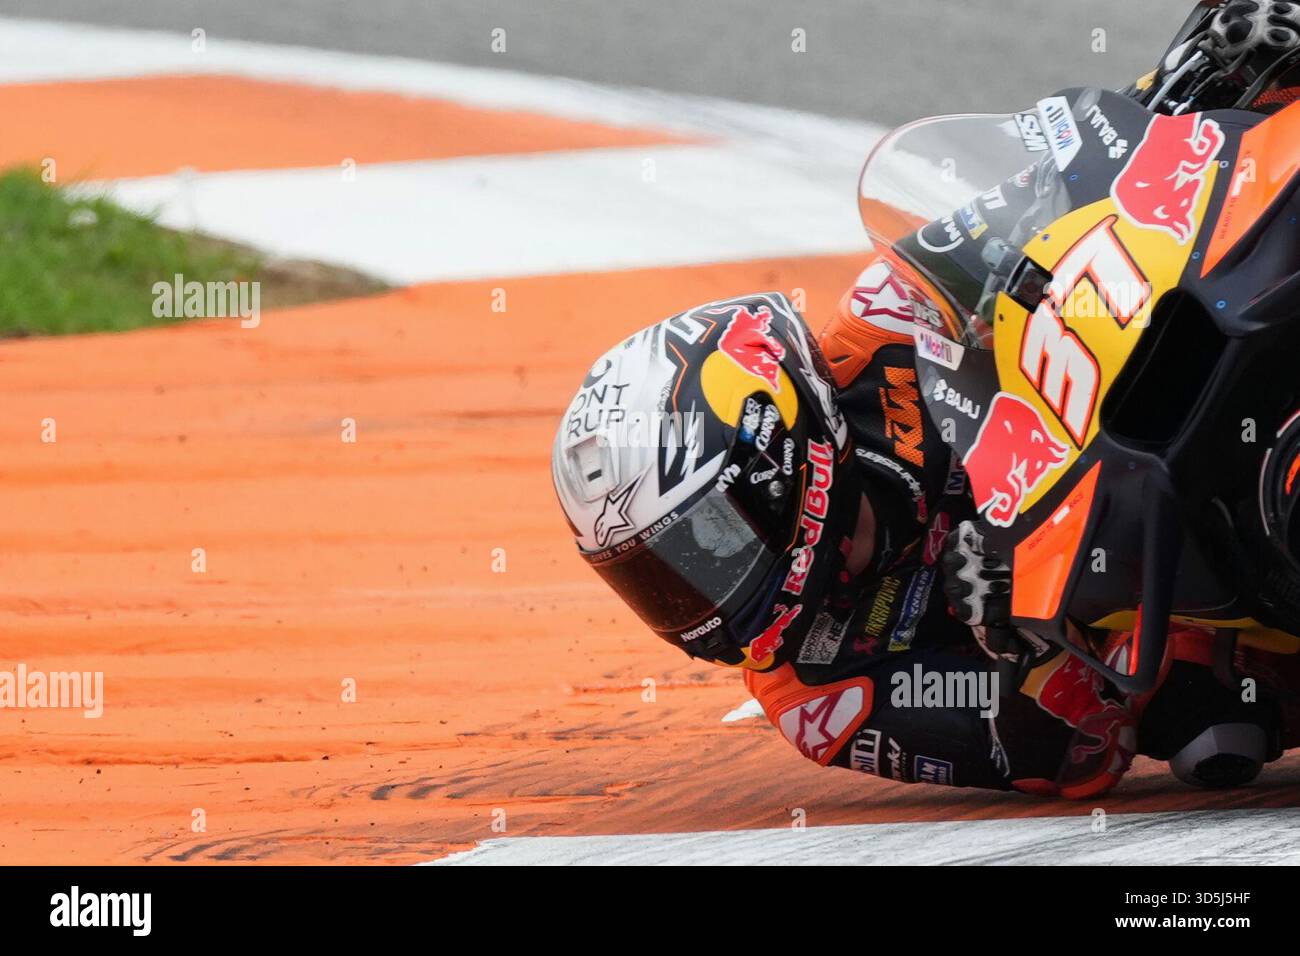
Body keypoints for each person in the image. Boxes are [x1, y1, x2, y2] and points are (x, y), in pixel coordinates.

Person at [550, 1, 1300, 795]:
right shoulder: (818, 695)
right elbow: (1072, 757)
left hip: (1143, 411)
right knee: (1207, 724)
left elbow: (1055, 191)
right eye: (657, 579)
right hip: (1160, 608)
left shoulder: (883, 320)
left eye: (698, 547)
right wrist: (1016, 646)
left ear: (769, 456)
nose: (693, 598)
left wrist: (1181, 81)